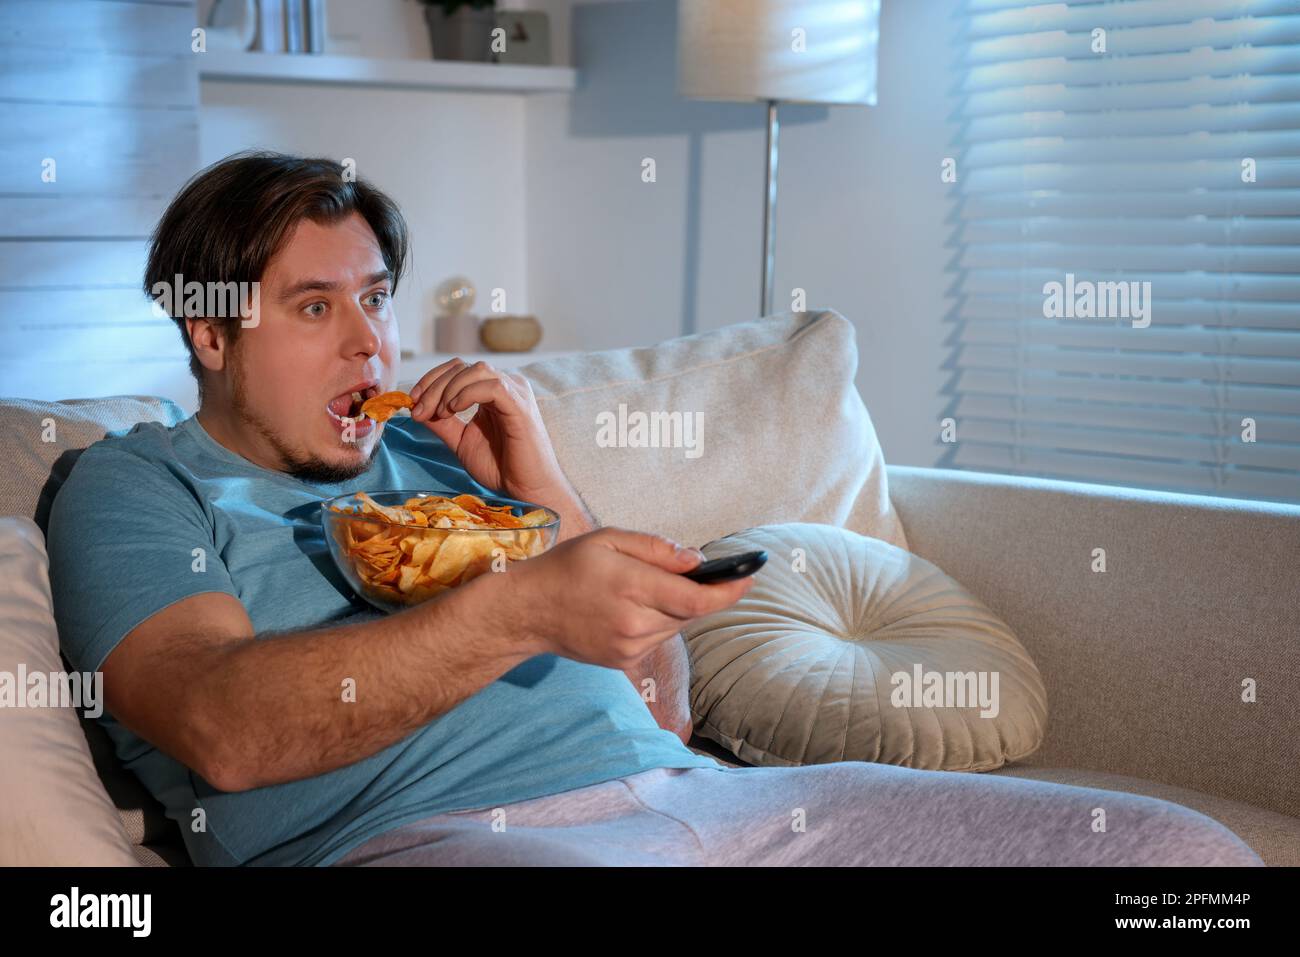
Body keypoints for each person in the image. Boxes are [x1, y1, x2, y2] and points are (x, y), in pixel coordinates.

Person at [47, 152, 1263, 867]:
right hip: (434, 841)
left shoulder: (435, 461)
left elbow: (663, 703)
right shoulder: (138, 484)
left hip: (708, 804)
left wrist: (538, 484)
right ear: (208, 326)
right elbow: (222, 731)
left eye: (375, 299)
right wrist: (519, 612)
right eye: (316, 309)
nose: (372, 343)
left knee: (1177, 862)